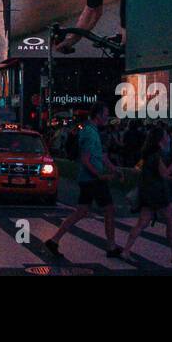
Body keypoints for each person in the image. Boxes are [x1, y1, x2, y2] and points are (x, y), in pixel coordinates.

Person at [45, 102, 123, 258]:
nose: (107, 118)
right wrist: (99, 175)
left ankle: (54, 240)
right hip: (93, 179)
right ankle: (111, 246)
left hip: (89, 178)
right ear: (98, 115)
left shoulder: (92, 131)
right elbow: (86, 159)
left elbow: (101, 155)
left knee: (81, 211)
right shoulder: (89, 132)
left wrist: (115, 169)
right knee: (108, 209)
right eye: (106, 114)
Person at [120, 127, 172, 264]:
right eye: (166, 136)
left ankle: (126, 251)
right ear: (160, 140)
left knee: (142, 223)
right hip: (160, 194)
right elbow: (163, 174)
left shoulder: (146, 155)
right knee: (171, 221)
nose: (168, 138)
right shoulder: (157, 156)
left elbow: (137, 170)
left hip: (147, 193)